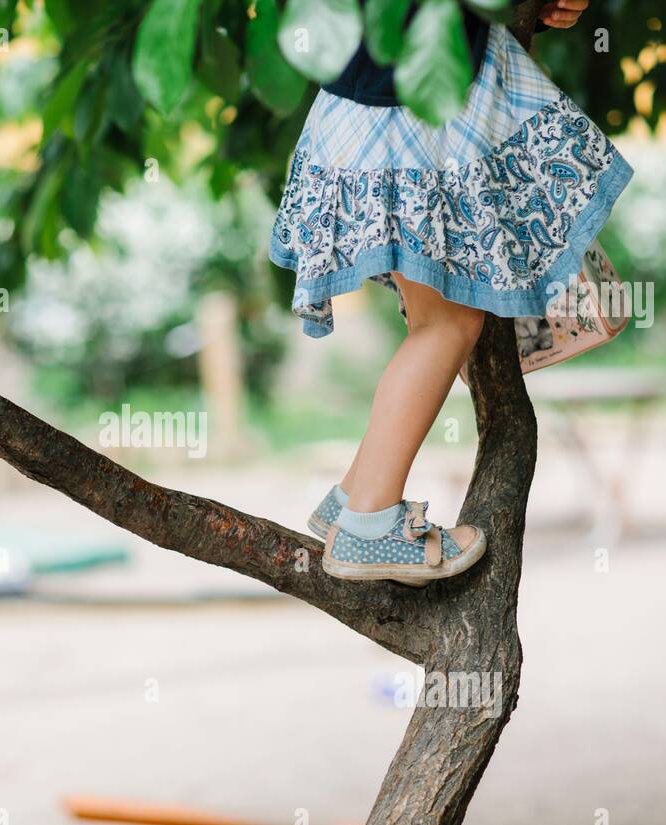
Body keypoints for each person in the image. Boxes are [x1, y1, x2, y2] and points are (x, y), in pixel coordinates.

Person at [269, 0, 629, 584]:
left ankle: (356, 495)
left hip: (374, 103)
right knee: (448, 326)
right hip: (410, 111)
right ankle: (367, 524)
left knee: (433, 321)